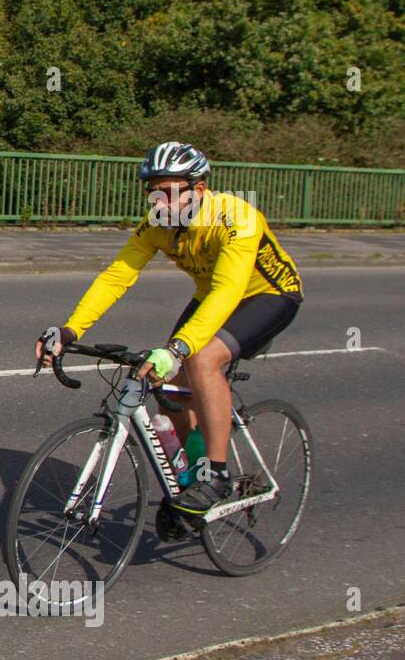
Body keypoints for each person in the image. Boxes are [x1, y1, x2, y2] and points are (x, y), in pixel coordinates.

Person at [35, 141, 303, 519]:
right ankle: (193, 478)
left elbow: (229, 291)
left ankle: (217, 473)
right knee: (164, 384)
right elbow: (117, 276)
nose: (159, 203)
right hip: (212, 296)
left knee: (202, 360)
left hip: (267, 295)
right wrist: (69, 330)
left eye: (169, 192)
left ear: (198, 190)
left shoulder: (236, 217)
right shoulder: (157, 226)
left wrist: (178, 350)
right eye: (152, 192)